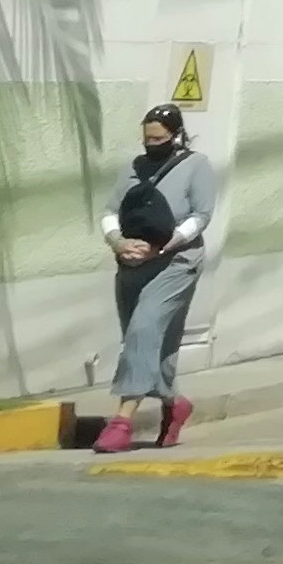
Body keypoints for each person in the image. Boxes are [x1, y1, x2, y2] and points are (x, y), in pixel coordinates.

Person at [96, 100, 218, 452]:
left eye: (159, 138)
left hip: (177, 261)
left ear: (176, 135)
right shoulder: (135, 167)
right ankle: (174, 404)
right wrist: (118, 242)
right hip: (133, 262)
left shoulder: (197, 166)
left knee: (143, 328)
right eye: (147, 138)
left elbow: (201, 216)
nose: (152, 144)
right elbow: (110, 211)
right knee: (150, 343)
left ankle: (122, 421)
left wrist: (165, 245)